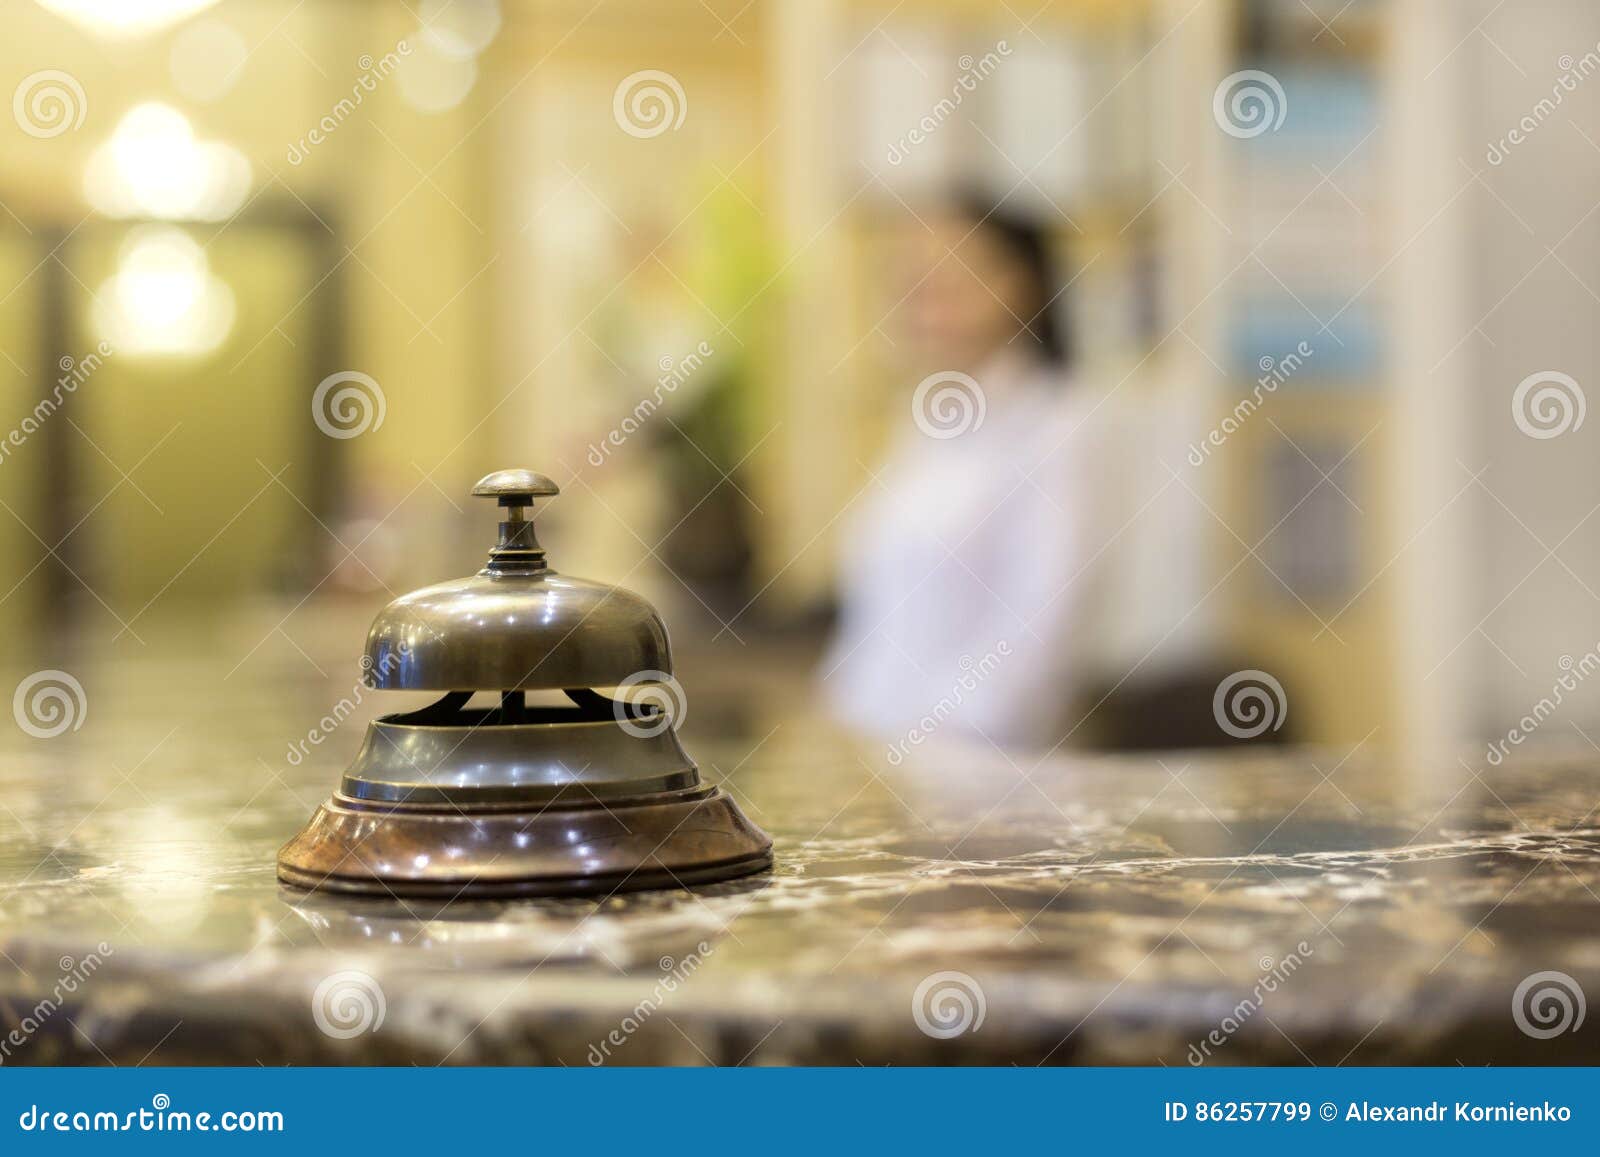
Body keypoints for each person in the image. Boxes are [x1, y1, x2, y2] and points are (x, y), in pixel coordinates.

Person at [820, 194, 1105, 753]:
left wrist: (928, 749)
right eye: (905, 284)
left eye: (940, 280)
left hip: (980, 781)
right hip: (874, 766)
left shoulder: (1059, 428)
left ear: (1015, 286)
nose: (915, 301)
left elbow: (1041, 629)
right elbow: (875, 626)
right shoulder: (923, 426)